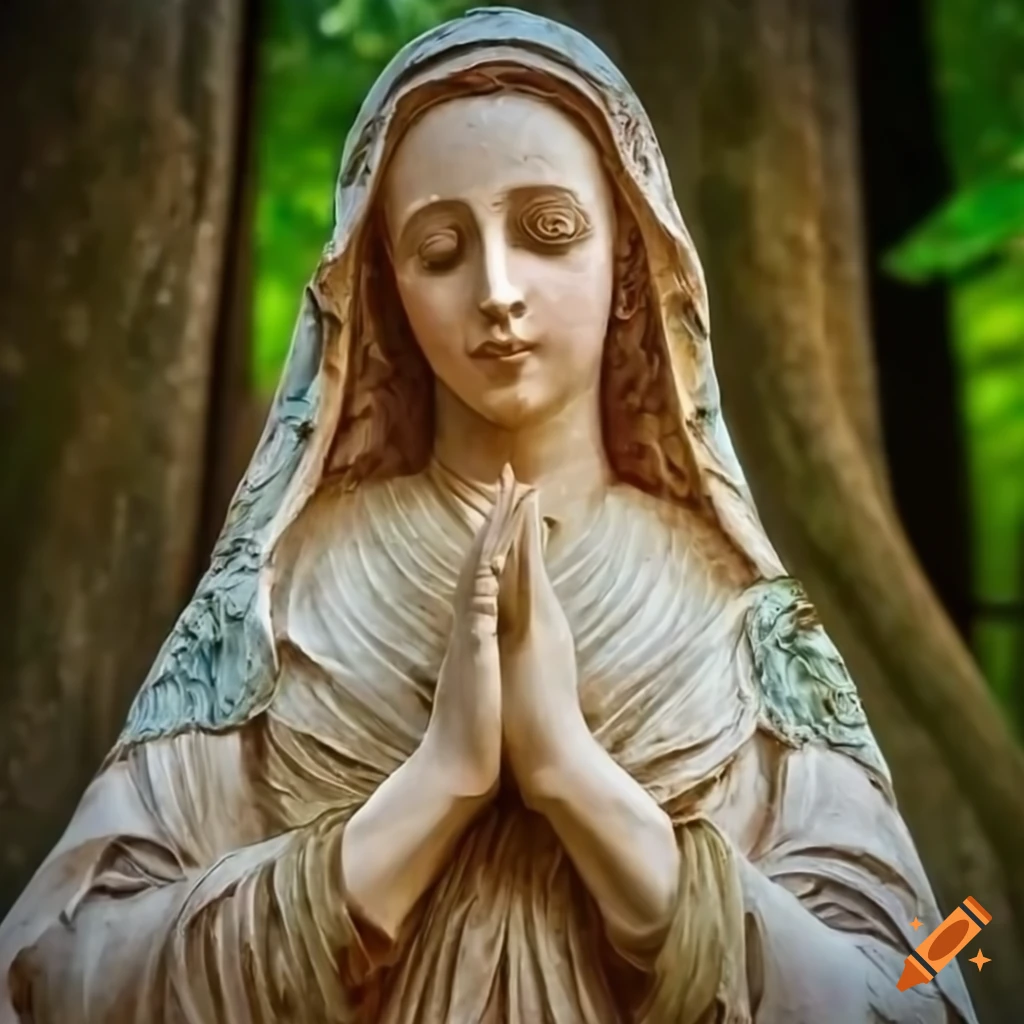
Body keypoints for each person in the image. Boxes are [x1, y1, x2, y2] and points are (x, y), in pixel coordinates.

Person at [0, 8, 976, 1022]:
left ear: (630, 265)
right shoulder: (279, 598)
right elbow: (52, 974)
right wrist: (432, 789)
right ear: (381, 287)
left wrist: (573, 777)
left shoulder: (730, 613)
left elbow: (924, 982)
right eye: (438, 249)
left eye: (548, 232)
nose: (497, 291)